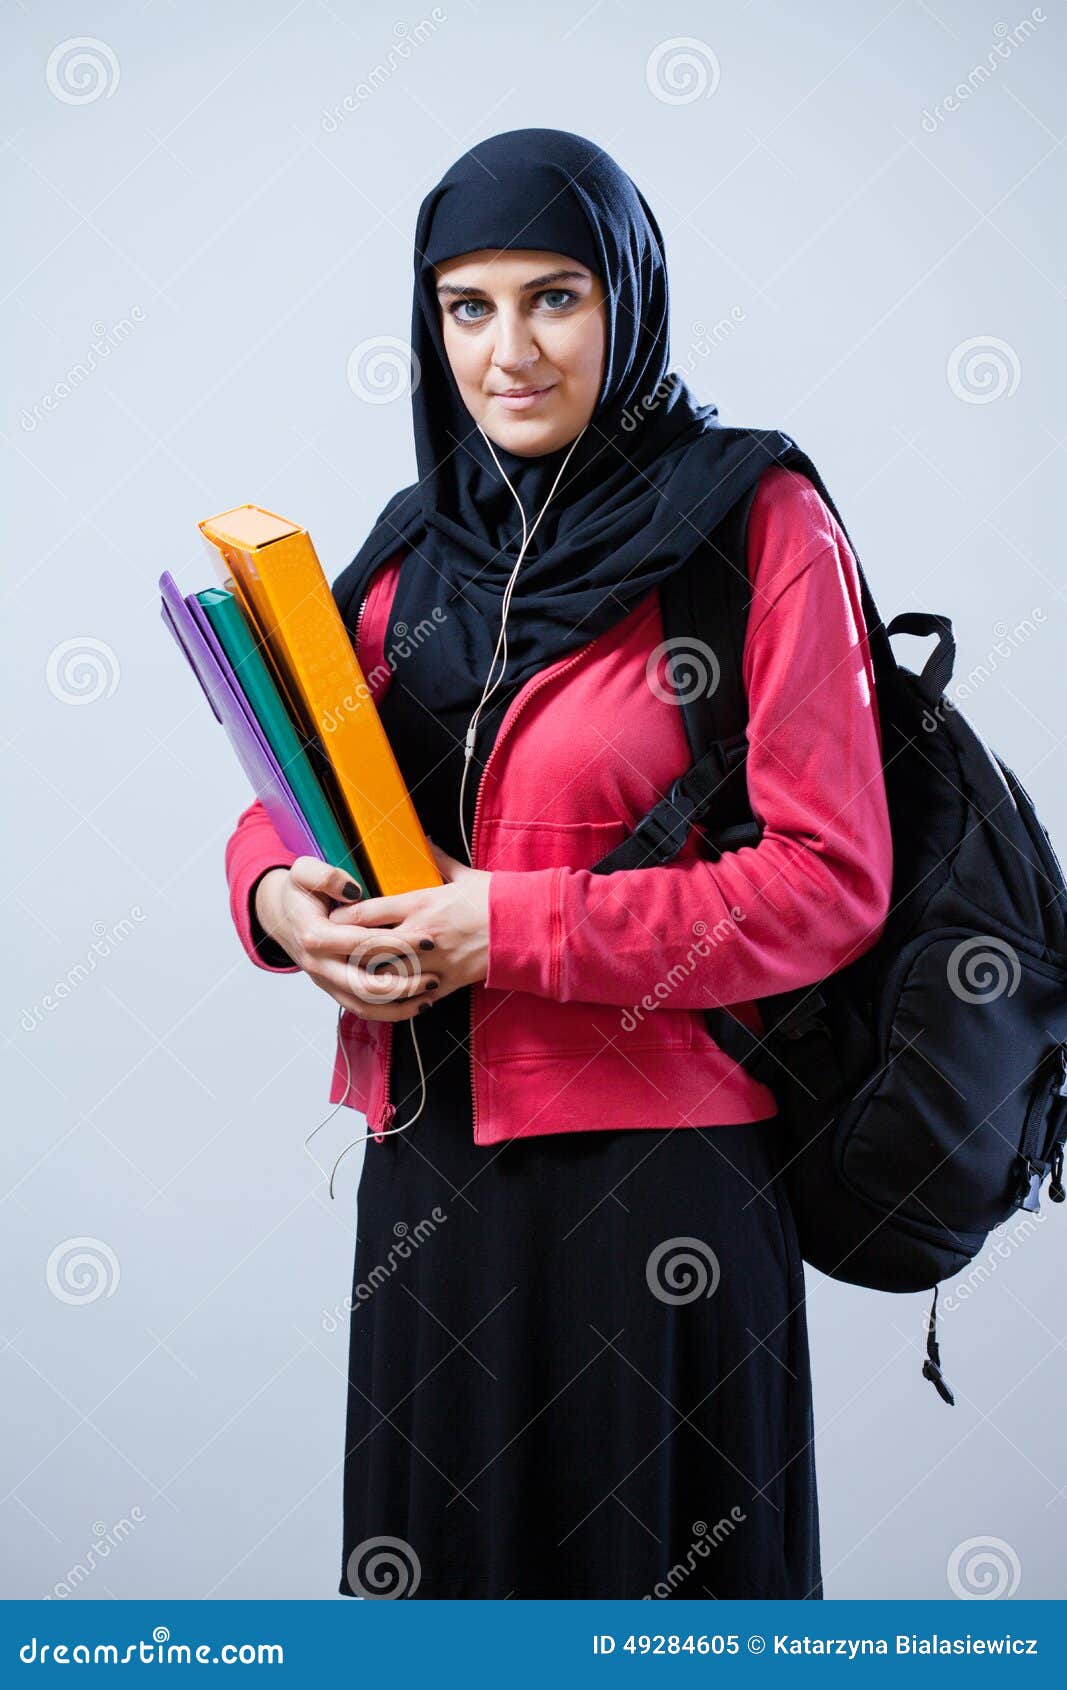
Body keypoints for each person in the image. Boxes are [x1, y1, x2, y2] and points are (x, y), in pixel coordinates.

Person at [223, 127, 893, 1599]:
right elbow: (301, 795)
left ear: (629, 299)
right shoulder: (417, 546)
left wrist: (508, 929)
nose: (509, 351)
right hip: (431, 1184)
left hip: (660, 1195)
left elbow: (829, 880)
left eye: (556, 298)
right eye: (468, 306)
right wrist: (280, 903)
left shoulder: (755, 523)